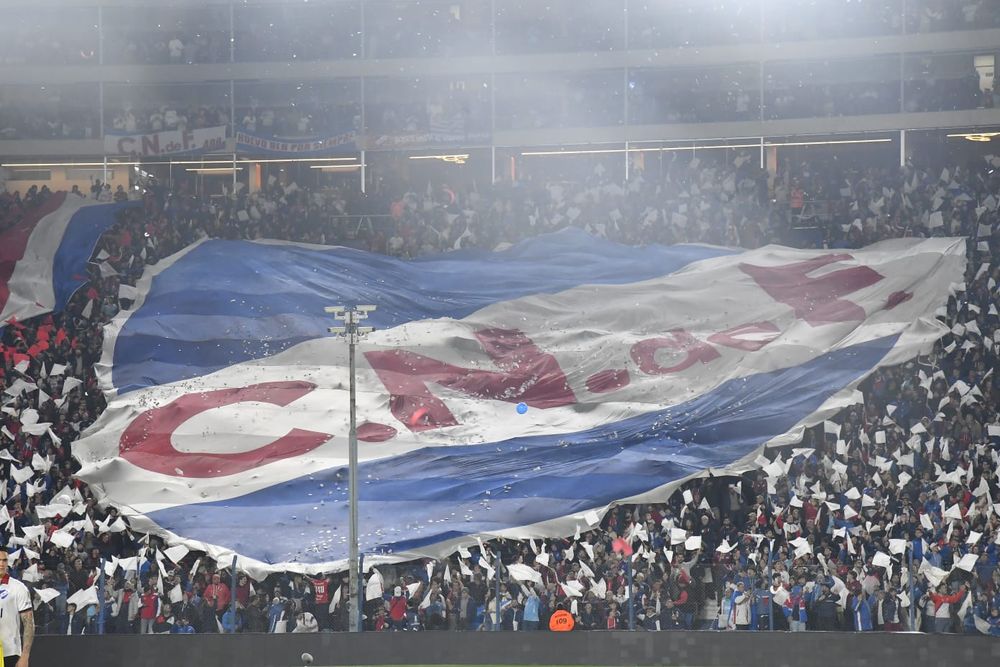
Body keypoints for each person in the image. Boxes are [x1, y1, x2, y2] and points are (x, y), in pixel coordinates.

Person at [0, 547, 34, 667]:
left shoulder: (18, 588)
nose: (1, 564)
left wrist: (25, 655)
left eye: (4, 560)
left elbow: (29, 623)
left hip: (9, 652)